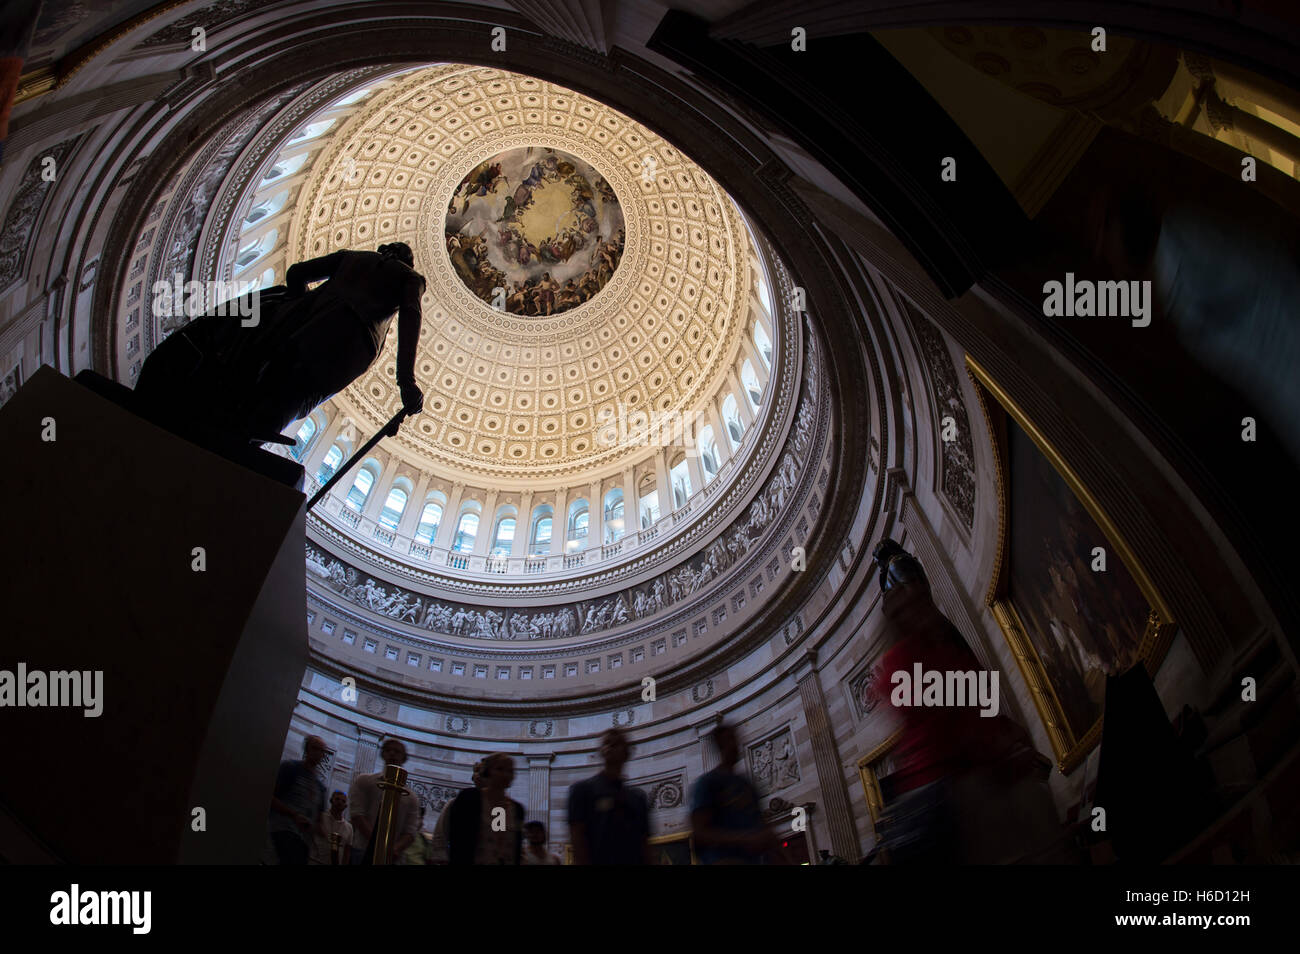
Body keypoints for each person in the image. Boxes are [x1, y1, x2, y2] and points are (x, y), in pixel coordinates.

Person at [134, 242, 425, 444]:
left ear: (384, 251)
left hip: (294, 325)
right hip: (348, 347)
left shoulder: (352, 257)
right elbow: (411, 314)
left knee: (257, 379)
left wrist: (302, 305)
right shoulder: (410, 278)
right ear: (407, 263)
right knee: (290, 401)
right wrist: (406, 382)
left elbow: (297, 273)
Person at [690, 724, 774, 864]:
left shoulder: (746, 785)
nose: (736, 744)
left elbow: (763, 827)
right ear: (720, 745)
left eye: (735, 739)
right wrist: (744, 839)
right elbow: (699, 834)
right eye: (730, 739)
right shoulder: (708, 783)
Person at [568, 728, 651, 865]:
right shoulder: (581, 791)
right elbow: (578, 842)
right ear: (601, 751)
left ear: (627, 752)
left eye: (616, 743)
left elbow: (645, 846)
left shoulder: (638, 798)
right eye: (606, 743)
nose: (610, 746)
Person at [348, 738, 420, 865]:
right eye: (388, 750)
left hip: (393, 857)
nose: (392, 753)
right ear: (382, 754)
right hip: (363, 850)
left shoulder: (411, 797)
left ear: (404, 758)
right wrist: (379, 846)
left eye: (397, 751)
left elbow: (410, 831)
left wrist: (392, 849)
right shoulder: (364, 781)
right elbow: (357, 814)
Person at [447, 753, 525, 865]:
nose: (505, 774)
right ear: (487, 772)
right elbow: (458, 841)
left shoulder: (513, 809)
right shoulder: (469, 799)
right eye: (500, 769)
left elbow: (498, 837)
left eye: (510, 771)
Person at [268, 735, 328, 865]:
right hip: (282, 831)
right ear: (307, 749)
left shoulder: (321, 787)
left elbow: (319, 820)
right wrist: (294, 814)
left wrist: (325, 836)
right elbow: (271, 798)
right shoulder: (290, 768)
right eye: (315, 748)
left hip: (304, 842)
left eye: (322, 750)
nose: (318, 753)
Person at [310, 790, 354, 865]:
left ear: (345, 806)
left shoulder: (349, 828)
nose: (340, 802)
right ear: (331, 800)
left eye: (343, 801)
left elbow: (347, 852)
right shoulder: (320, 818)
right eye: (337, 799)